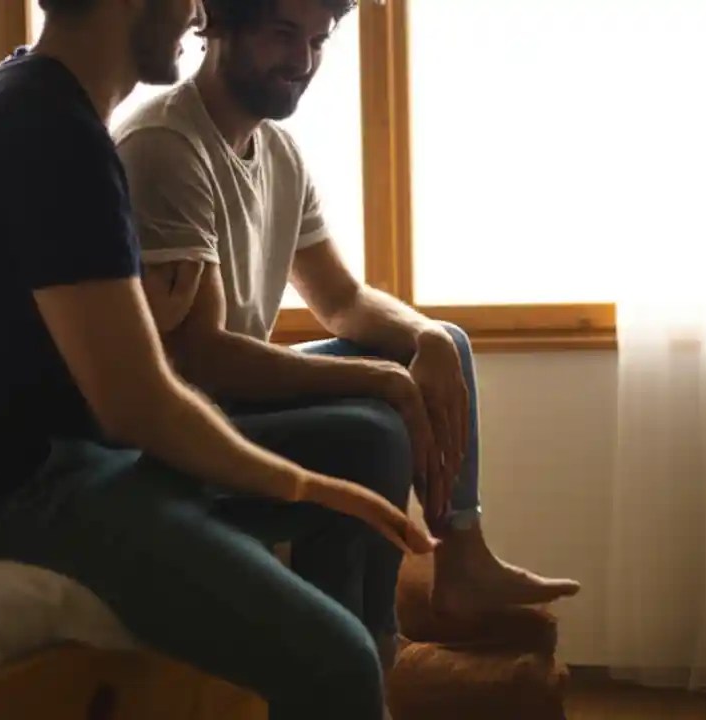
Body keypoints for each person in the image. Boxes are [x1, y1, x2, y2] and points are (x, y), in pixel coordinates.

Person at [0, 0, 436, 717]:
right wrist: (300, 484)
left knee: (357, 453)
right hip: (2, 501)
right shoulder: (47, 131)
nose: (196, 13)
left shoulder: (53, 110)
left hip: (78, 459)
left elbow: (92, 355)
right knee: (339, 661)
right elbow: (139, 401)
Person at [111, 0, 582, 666]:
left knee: (442, 341)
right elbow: (202, 356)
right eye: (282, 36)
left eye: (317, 42)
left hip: (233, 392)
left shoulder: (276, 150)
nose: (302, 62)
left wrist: (423, 341)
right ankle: (365, 648)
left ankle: (462, 556)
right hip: (182, 420)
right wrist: (379, 380)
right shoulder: (166, 144)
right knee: (372, 430)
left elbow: (341, 299)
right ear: (219, 25)